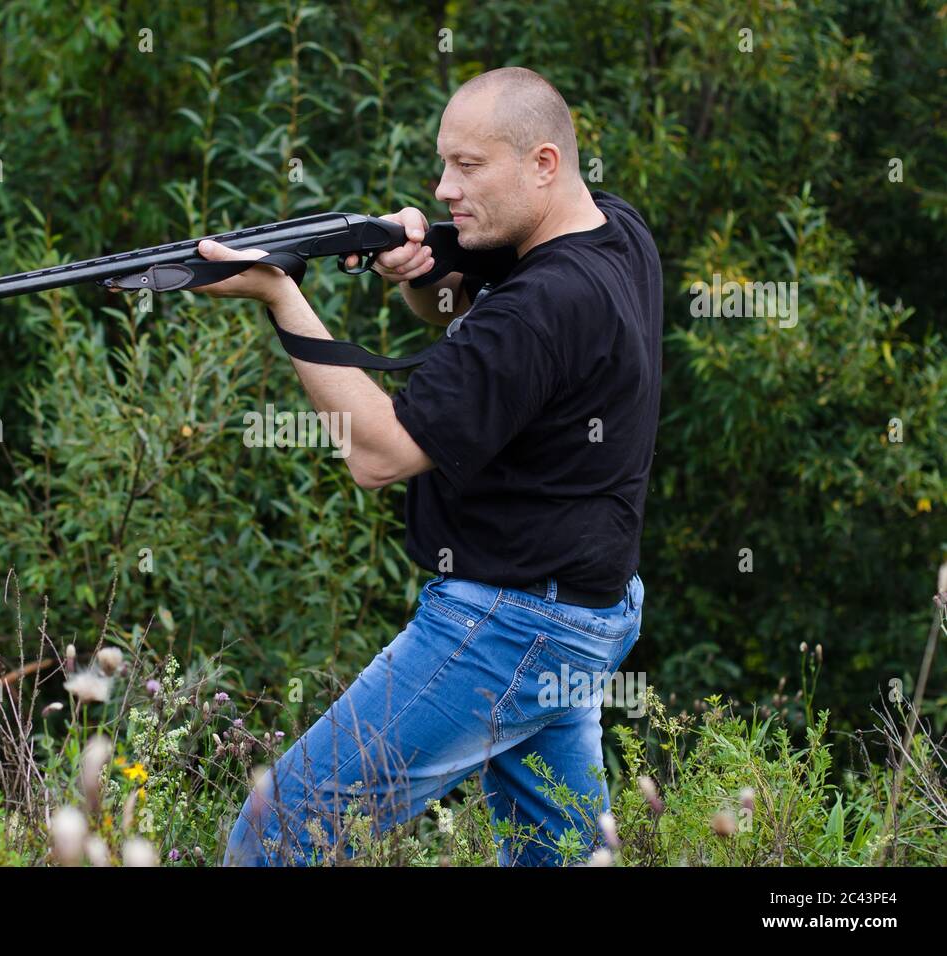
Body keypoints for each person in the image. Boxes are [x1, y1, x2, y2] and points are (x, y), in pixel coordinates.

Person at [192, 66, 663, 866]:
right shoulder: (615, 232)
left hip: (509, 625)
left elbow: (379, 455)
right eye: (444, 164)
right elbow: (486, 344)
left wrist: (282, 297)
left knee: (279, 834)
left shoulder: (541, 304)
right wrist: (425, 276)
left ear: (543, 163)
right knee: (557, 860)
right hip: (588, 609)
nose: (444, 188)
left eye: (470, 168)